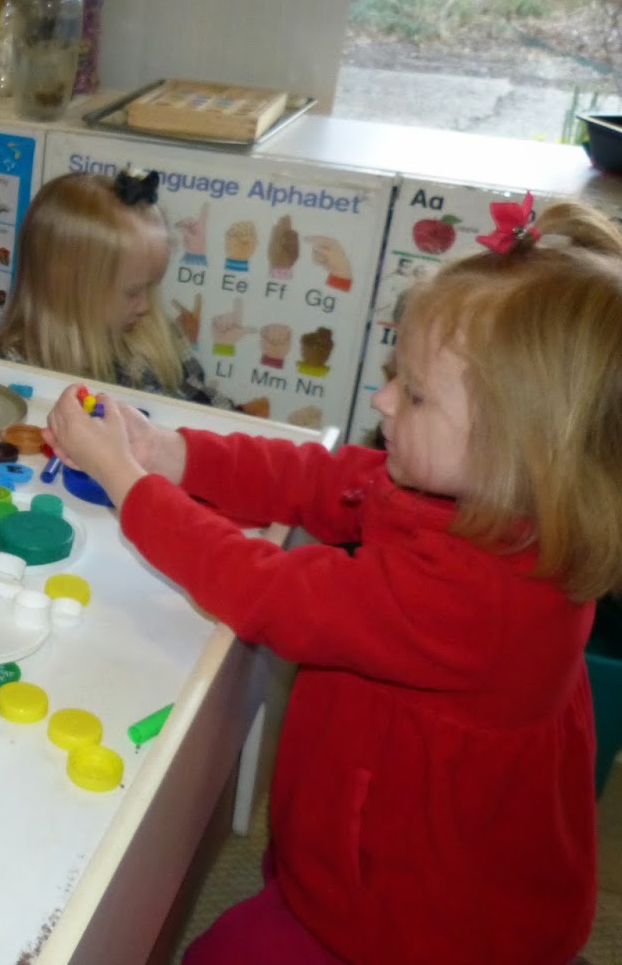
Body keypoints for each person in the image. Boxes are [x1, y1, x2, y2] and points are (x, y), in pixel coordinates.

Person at [44, 194, 620, 964]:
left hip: (431, 920)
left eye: (415, 393)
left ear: (525, 447)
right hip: (372, 843)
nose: (382, 399)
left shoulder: (485, 600)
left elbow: (271, 593)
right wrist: (174, 454)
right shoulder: (486, 497)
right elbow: (320, 480)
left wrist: (128, 480)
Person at [0, 169, 229, 407]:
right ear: (71, 286)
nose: (146, 306)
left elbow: (209, 409)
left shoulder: (157, 338)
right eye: (132, 292)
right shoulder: (13, 368)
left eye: (151, 287)